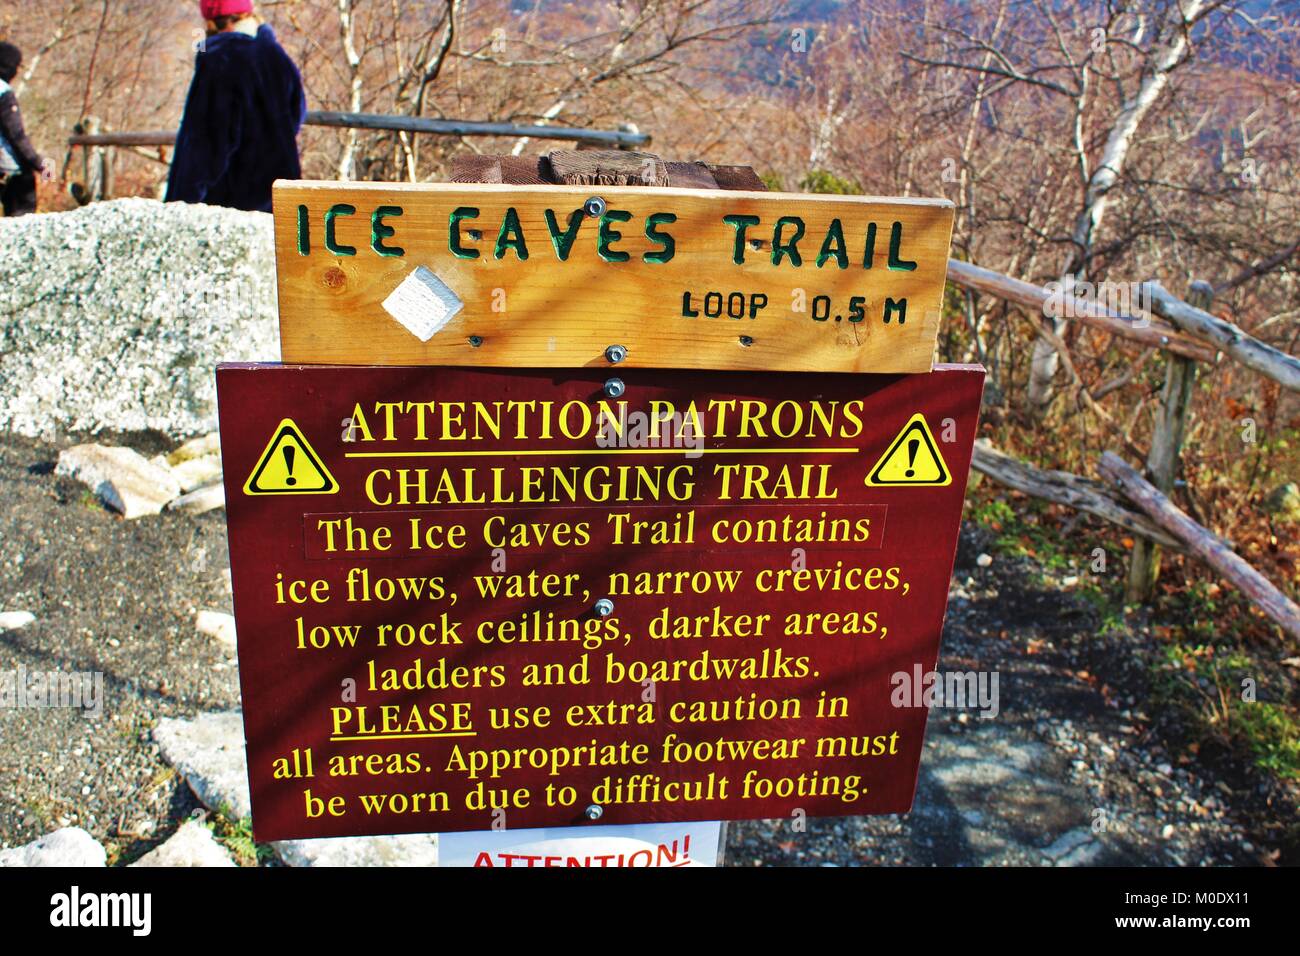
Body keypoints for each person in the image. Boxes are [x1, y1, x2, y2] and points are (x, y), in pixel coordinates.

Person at [165, 1, 306, 212]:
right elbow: (298, 111)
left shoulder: (220, 59)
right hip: (281, 193)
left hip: (232, 202)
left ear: (213, 22)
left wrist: (182, 202)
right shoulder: (276, 54)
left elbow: (207, 141)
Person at [0, 42, 55, 217]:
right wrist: (38, 163)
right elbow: (16, 136)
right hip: (7, 167)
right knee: (22, 218)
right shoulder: (4, 94)